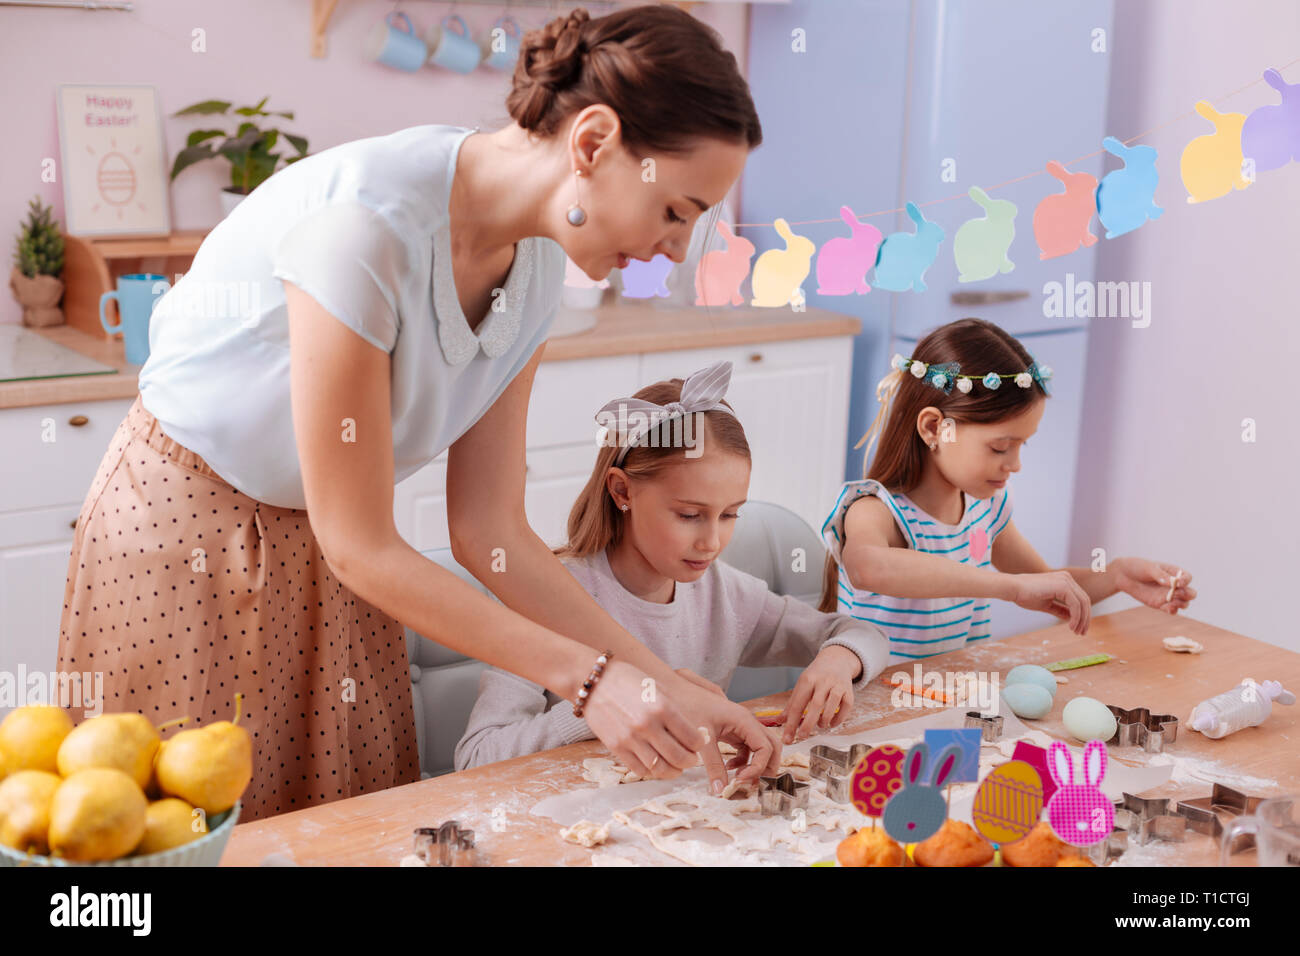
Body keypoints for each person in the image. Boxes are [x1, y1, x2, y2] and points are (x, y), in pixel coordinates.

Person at [57, 5, 775, 821]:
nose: (678, 248)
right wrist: (587, 678)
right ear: (592, 143)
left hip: (344, 556)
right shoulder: (364, 229)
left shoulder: (538, 269)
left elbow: (491, 533)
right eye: (677, 210)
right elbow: (361, 541)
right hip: (186, 535)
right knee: (187, 823)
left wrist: (666, 682)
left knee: (347, 828)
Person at [455, 362, 890, 769]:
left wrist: (838, 660)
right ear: (622, 491)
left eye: (730, 514)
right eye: (688, 515)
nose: (712, 541)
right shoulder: (541, 595)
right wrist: (606, 705)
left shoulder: (728, 597)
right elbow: (476, 756)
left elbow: (859, 633)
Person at [818, 318, 1197, 662]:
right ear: (935, 428)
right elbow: (869, 567)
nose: (1015, 464)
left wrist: (1116, 577)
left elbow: (1045, 585)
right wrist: (1010, 588)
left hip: (947, 706)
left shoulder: (987, 510)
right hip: (872, 717)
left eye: (1022, 446)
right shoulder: (874, 510)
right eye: (1000, 447)